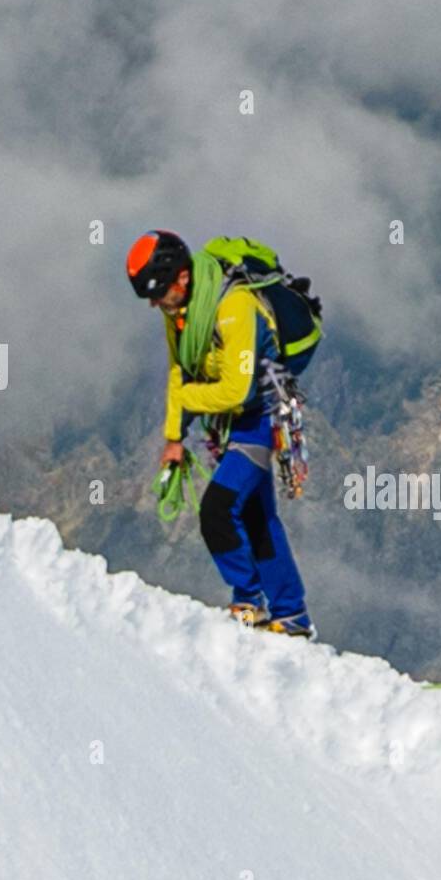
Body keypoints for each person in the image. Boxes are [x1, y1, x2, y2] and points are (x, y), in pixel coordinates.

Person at [127, 229, 313, 637]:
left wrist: (189, 401)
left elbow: (237, 389)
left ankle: (249, 604)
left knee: (217, 510)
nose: (154, 304)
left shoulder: (235, 307)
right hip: (235, 419)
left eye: (157, 293)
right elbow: (180, 370)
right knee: (256, 515)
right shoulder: (178, 313)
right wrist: (174, 437)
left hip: (262, 416)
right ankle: (292, 616)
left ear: (181, 279)